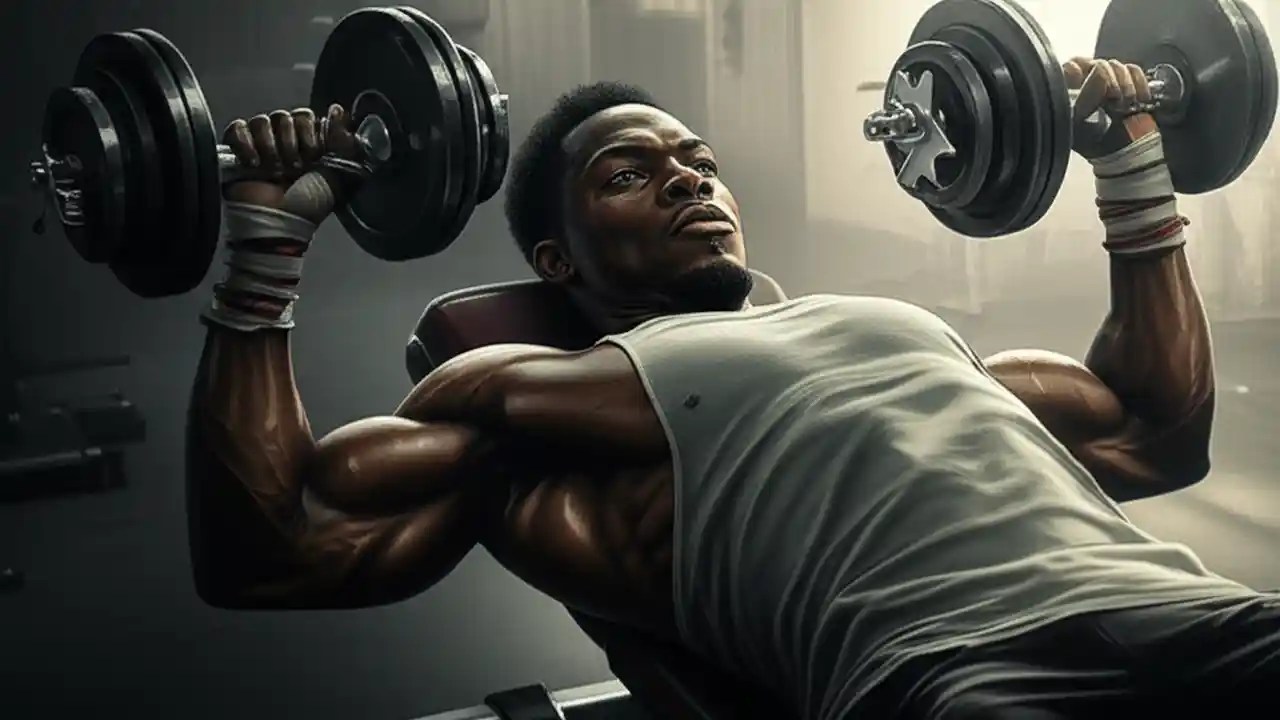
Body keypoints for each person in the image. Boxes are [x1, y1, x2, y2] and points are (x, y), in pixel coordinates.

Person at [186, 57, 1278, 720]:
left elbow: (1155, 426)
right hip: (960, 682)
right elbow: (276, 544)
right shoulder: (540, 392)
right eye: (626, 173)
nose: (683, 176)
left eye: (694, 159)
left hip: (1199, 617)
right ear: (558, 263)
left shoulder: (899, 330)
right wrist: (268, 241)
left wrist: (1130, 160)